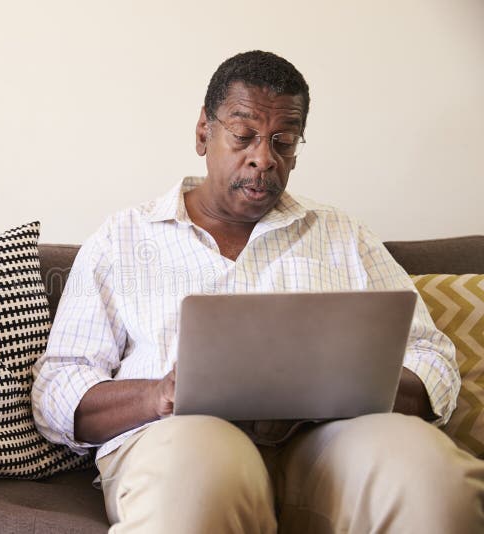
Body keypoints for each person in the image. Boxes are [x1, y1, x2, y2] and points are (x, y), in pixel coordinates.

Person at [31, 50, 484, 533]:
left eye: (284, 141)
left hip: (330, 444)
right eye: (244, 136)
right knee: (202, 472)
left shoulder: (341, 234)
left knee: (427, 477)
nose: (264, 158)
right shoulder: (123, 237)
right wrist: (158, 397)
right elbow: (59, 385)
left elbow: (430, 355)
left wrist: (362, 387)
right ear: (204, 132)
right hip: (178, 442)